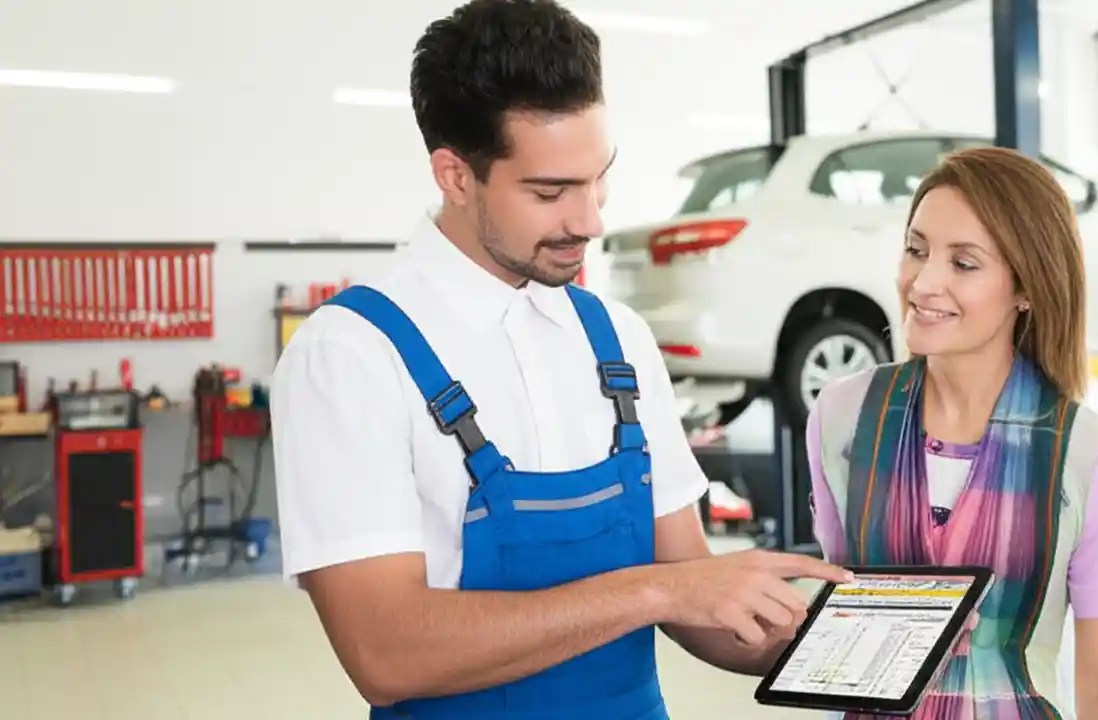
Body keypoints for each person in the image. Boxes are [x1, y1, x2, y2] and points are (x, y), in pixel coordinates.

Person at [269, 1, 850, 718]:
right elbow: (386, 653)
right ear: (455, 175)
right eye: (551, 192)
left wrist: (845, 639)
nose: (590, 221)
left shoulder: (620, 340)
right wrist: (656, 591)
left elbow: (693, 595)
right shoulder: (352, 354)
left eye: (598, 178)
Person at [806, 147, 1098, 720]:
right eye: (917, 250)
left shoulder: (1090, 456)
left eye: (964, 264)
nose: (924, 282)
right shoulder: (842, 419)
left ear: (1026, 288)